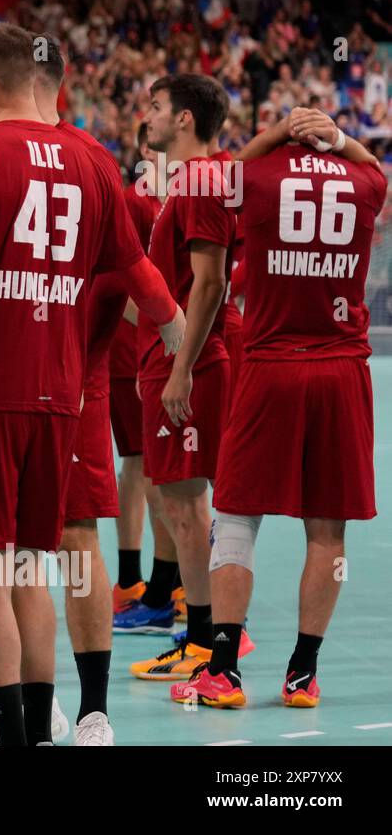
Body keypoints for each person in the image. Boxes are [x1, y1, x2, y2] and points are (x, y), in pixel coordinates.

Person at [0, 24, 180, 745]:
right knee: (37, 560)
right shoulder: (92, 163)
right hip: (63, 391)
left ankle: (40, 721)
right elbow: (137, 274)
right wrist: (180, 341)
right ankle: (52, 714)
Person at [172, 109, 387, 708]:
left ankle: (223, 671)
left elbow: (211, 182)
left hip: (270, 367)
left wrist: (269, 137)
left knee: (237, 518)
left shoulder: (256, 176)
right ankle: (302, 674)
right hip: (343, 370)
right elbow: (376, 168)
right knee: (329, 532)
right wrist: (342, 139)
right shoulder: (363, 183)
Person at [126, 75, 253, 681]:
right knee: (177, 502)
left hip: (194, 357)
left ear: (182, 119)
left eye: (153, 107)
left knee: (188, 504)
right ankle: (202, 634)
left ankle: (206, 641)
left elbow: (210, 283)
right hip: (175, 353)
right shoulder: (199, 178)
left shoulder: (201, 180)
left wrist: (180, 369)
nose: (144, 117)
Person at [110, 124, 182, 623]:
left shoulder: (176, 200)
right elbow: (122, 283)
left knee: (150, 467)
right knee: (149, 466)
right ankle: (151, 582)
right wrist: (167, 333)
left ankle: (150, 579)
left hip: (161, 345)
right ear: (142, 151)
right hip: (136, 350)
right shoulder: (136, 203)